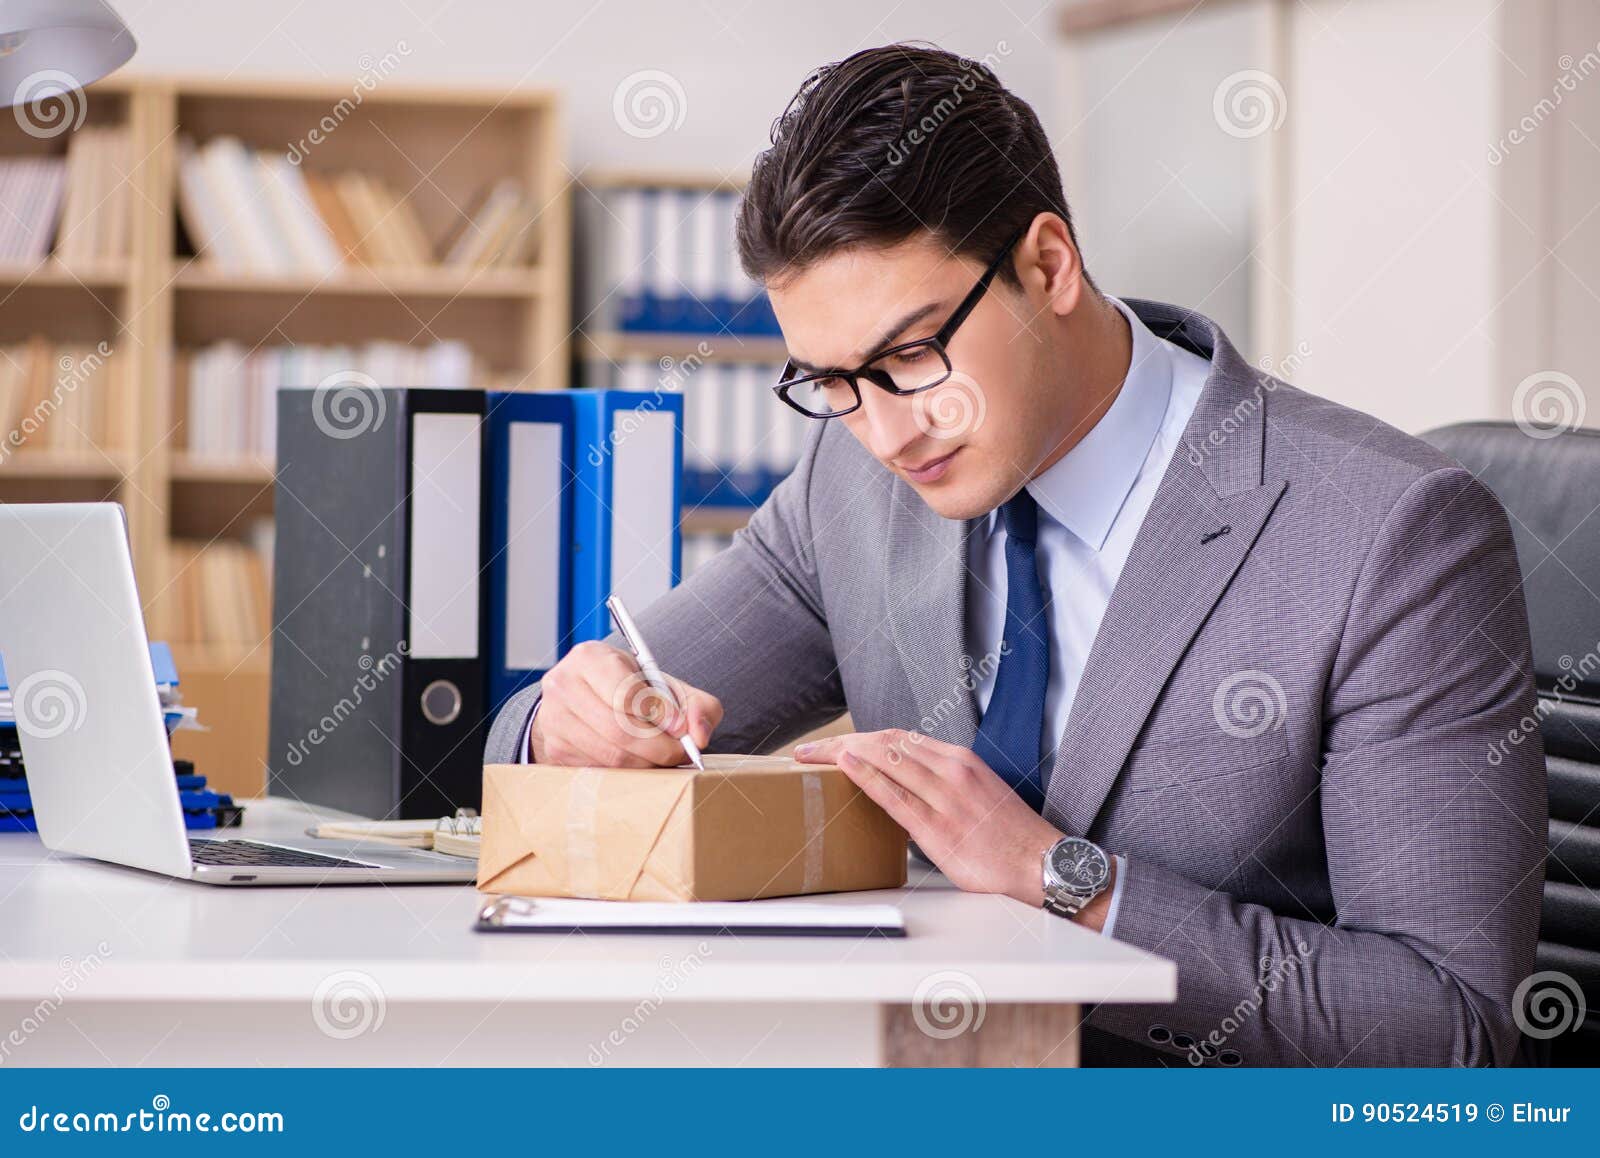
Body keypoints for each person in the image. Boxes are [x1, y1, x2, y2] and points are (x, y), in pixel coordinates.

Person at [486, 43, 1545, 1066]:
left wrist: (1059, 877)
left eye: (909, 354)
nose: (885, 433)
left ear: (1048, 264)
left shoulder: (1387, 532)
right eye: (829, 382)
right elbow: (520, 749)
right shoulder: (851, 485)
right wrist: (565, 726)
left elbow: (1440, 1027)